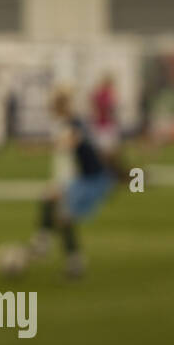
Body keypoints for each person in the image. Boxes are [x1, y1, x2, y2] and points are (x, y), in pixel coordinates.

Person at [30, 86, 113, 279]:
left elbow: (70, 144)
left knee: (63, 216)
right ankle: (46, 244)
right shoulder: (67, 122)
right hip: (83, 178)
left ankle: (71, 262)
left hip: (92, 180)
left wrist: (37, 147)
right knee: (51, 202)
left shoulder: (73, 123)